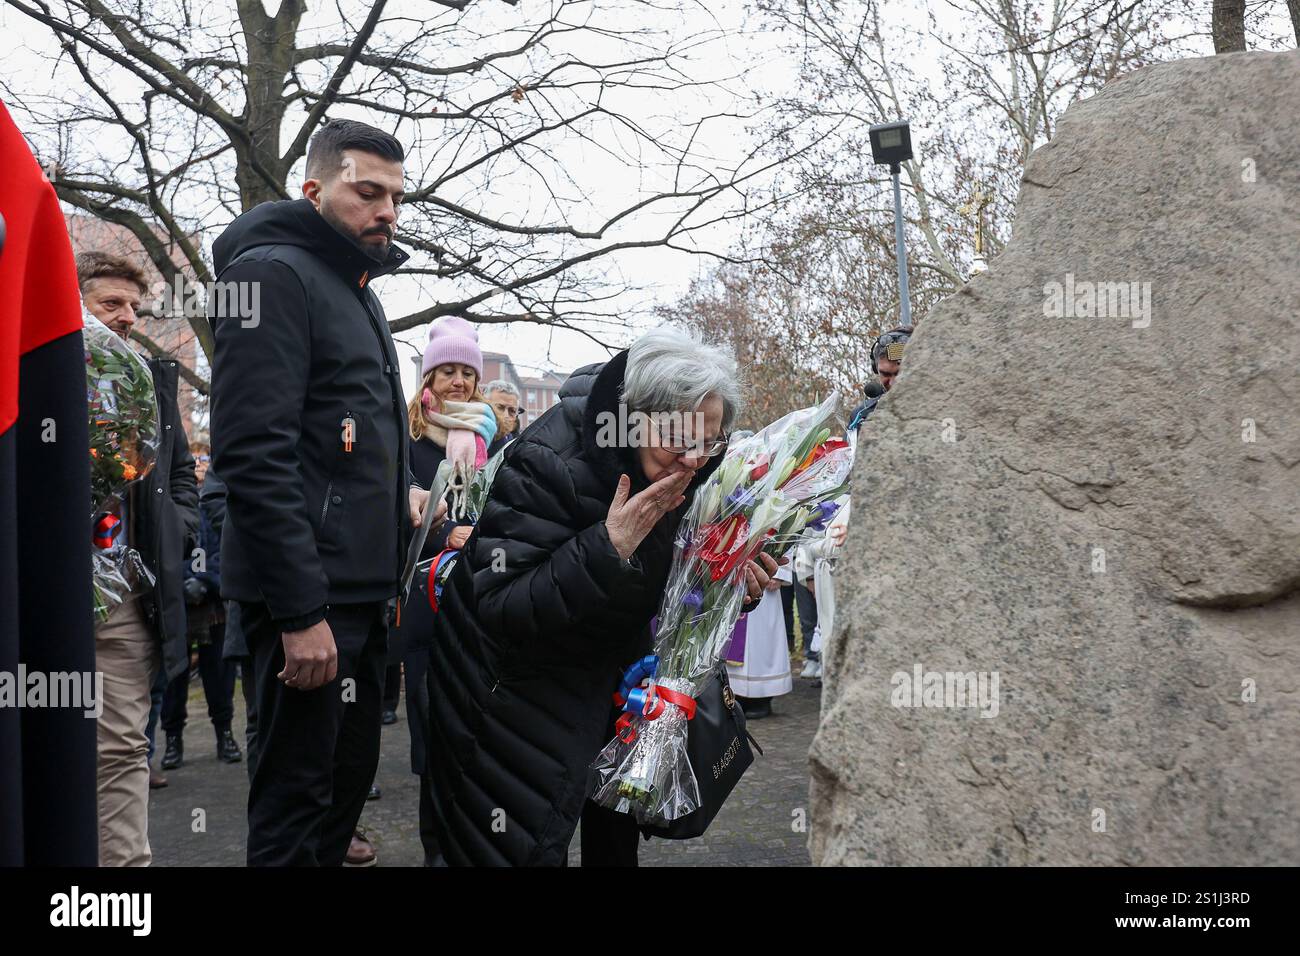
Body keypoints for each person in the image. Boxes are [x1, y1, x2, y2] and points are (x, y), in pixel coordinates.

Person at [425, 326, 781, 867]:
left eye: (709, 441)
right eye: (679, 440)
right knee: (512, 845)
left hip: (615, 691)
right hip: (508, 704)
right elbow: (500, 603)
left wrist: (727, 580)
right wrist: (605, 549)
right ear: (635, 419)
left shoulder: (691, 469)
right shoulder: (549, 461)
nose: (694, 460)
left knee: (613, 843)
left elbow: (674, 587)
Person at [209, 118, 441, 867]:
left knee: (340, 809)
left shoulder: (359, 291)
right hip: (309, 610)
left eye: (397, 198)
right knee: (294, 814)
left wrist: (401, 490)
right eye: (366, 191)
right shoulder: (269, 275)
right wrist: (299, 612)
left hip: (364, 600)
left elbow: (345, 443)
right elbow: (252, 454)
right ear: (313, 189)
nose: (386, 212)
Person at [77, 251, 199, 866]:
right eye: (110, 304)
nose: (126, 317)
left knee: (122, 748)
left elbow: (182, 481)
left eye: (134, 306)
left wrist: (170, 538)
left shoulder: (153, 382)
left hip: (126, 600)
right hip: (43, 595)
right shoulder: (34, 376)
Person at [390, 316, 496, 866]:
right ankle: (436, 848)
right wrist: (436, 526)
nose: (458, 381)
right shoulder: (406, 437)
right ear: (428, 379)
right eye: (446, 371)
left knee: (476, 726)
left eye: (465, 373)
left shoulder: (485, 439)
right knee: (431, 724)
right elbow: (394, 504)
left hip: (478, 597)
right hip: (424, 604)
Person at [159, 442, 242, 770]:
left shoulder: (216, 502)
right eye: (193, 459)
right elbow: (164, 551)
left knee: (219, 675)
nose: (198, 464)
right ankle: (173, 739)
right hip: (178, 603)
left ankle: (224, 733)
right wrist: (181, 582)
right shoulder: (171, 503)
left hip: (213, 603)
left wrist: (207, 581)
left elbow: (226, 546)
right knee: (175, 676)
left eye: (203, 458)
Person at [727, 562, 794, 718]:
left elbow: (787, 540)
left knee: (762, 639)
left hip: (764, 574)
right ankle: (736, 694)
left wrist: (779, 573)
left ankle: (762, 696)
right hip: (735, 577)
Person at [848, 325, 911, 430]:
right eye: (885, 374)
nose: (892, 383)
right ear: (875, 368)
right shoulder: (860, 416)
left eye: (899, 373)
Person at [482, 378, 523, 454]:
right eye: (499, 408)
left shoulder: (519, 447)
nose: (506, 415)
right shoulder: (469, 437)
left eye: (512, 411)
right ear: (484, 406)